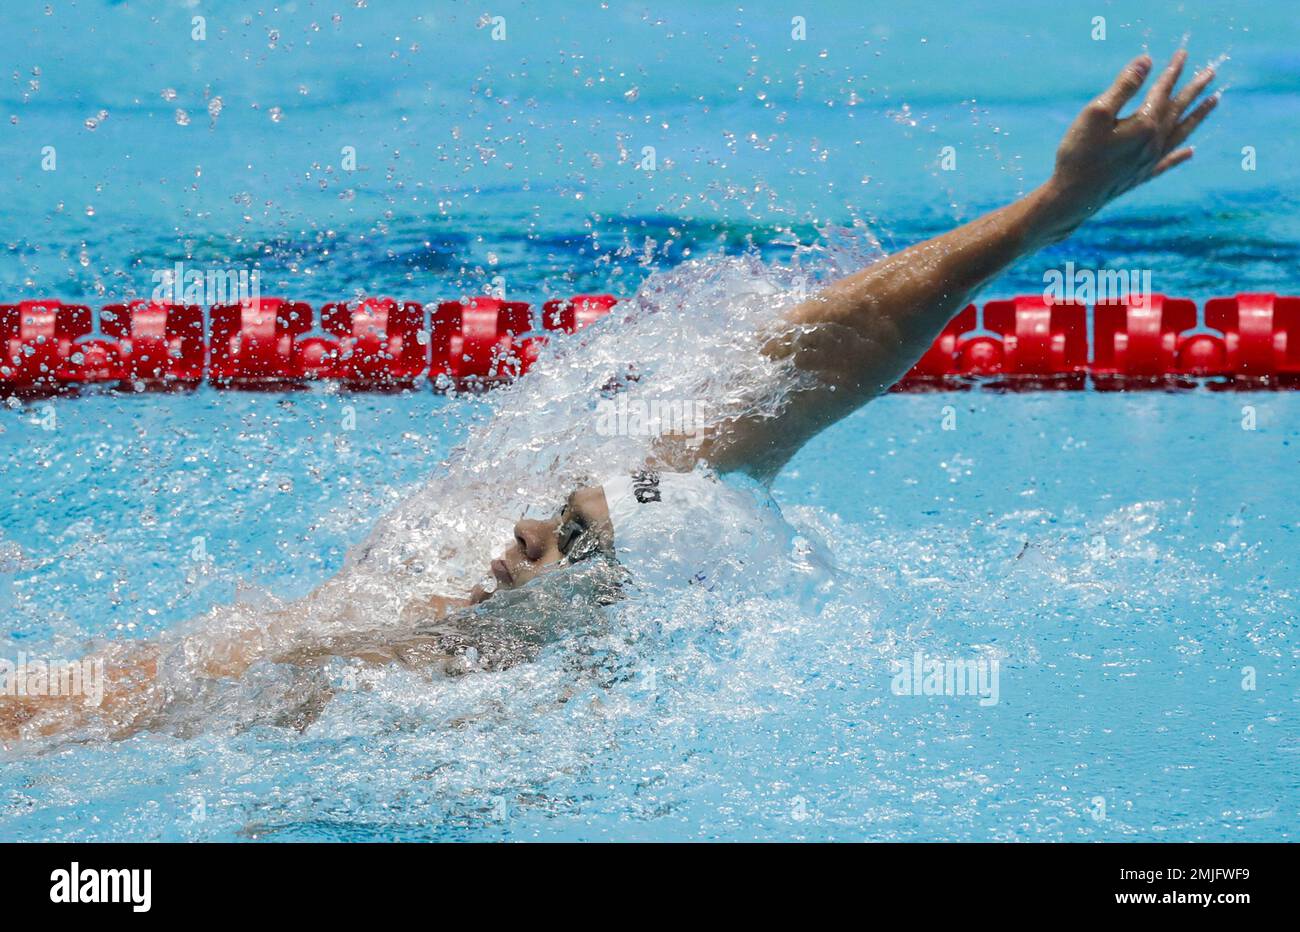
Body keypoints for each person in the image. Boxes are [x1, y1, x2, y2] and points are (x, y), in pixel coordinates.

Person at [1, 51, 1217, 742]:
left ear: (605, 596)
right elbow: (819, 354)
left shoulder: (520, 710)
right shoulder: (408, 600)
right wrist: (1043, 216)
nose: (520, 545)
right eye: (546, 526)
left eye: (557, 548)